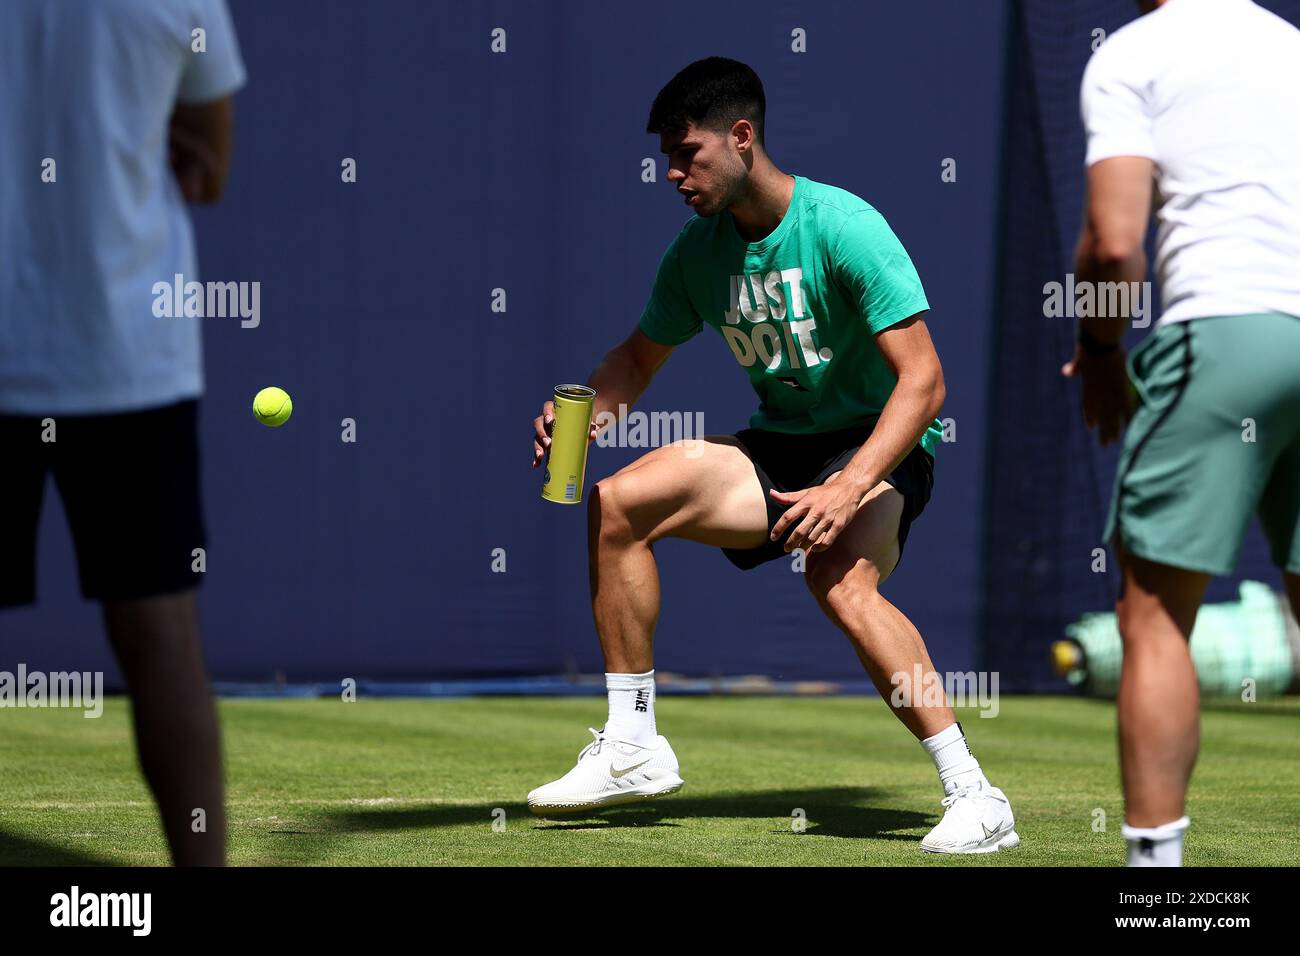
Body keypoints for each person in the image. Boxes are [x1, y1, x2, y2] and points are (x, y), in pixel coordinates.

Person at [528, 57, 1017, 853]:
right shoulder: (697, 253)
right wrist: (578, 420)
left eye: (689, 155)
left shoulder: (843, 225)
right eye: (667, 162)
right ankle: (633, 745)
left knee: (840, 581)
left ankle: (976, 794)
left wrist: (852, 485)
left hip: (878, 444)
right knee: (618, 504)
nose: (676, 176)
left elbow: (924, 384)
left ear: (742, 137)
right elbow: (634, 361)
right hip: (781, 446)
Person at [0, 0, 247, 865]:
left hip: (114, 359)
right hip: (127, 355)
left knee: (160, 637)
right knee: (161, 637)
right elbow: (209, 167)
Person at [1066, 0, 1300, 866]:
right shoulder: (1291, 46)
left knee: (1155, 615)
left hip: (1223, 337)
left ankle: (1158, 887)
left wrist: (1097, 348)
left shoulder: (1132, 54)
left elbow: (1115, 246)